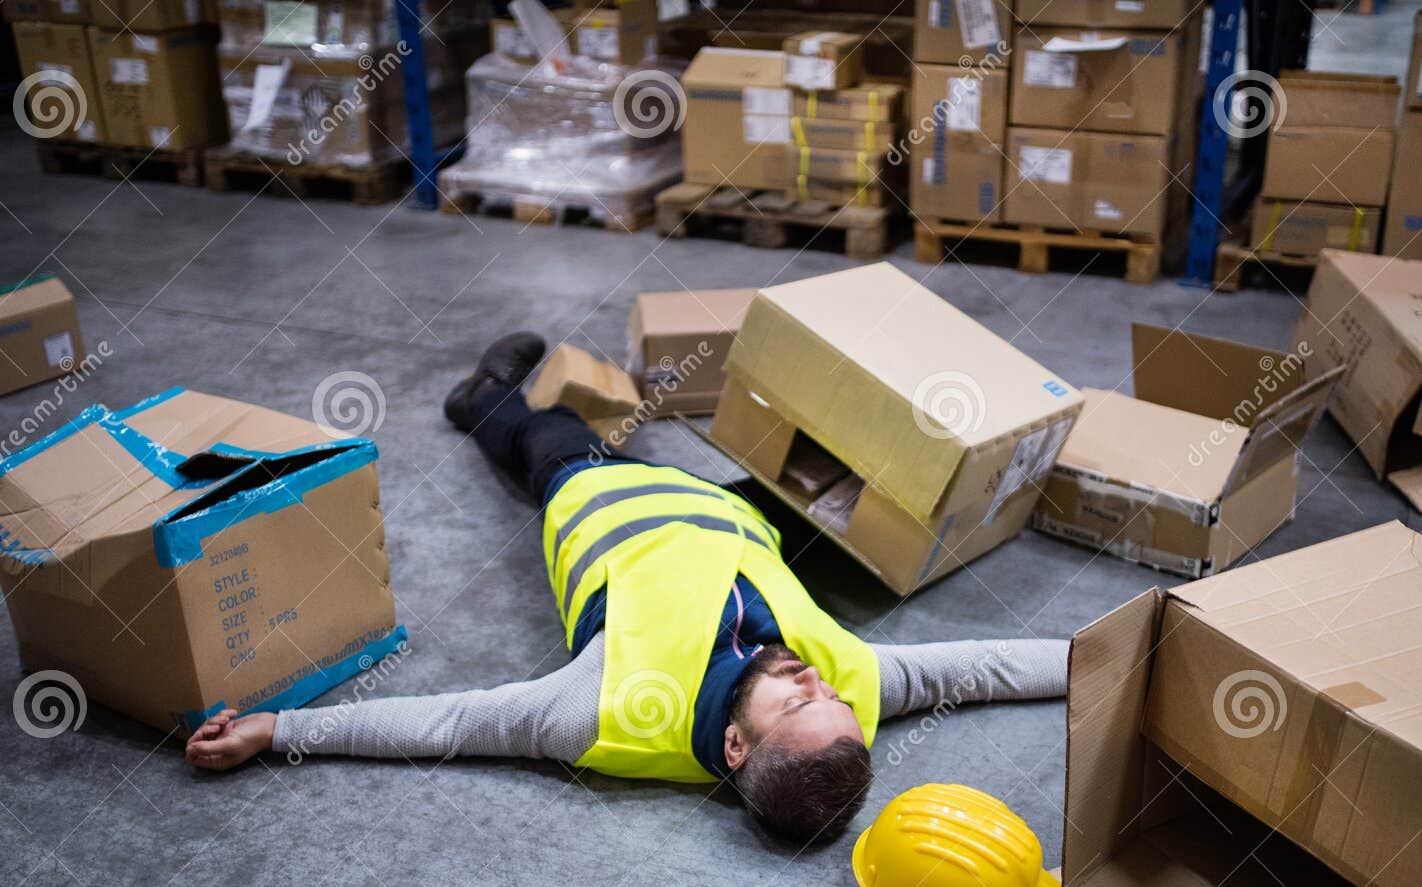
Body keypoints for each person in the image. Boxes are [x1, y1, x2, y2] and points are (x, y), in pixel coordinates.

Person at [186, 335, 1070, 844]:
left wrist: (278, 729)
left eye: (801, 701)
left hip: (600, 502)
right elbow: (986, 667)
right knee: (853, 484)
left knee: (551, 435)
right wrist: (1123, 650)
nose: (818, 678)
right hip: (723, 514)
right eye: (833, 694)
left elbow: (449, 721)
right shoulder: (850, 692)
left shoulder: (598, 710)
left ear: (732, 745)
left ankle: (486, 397)